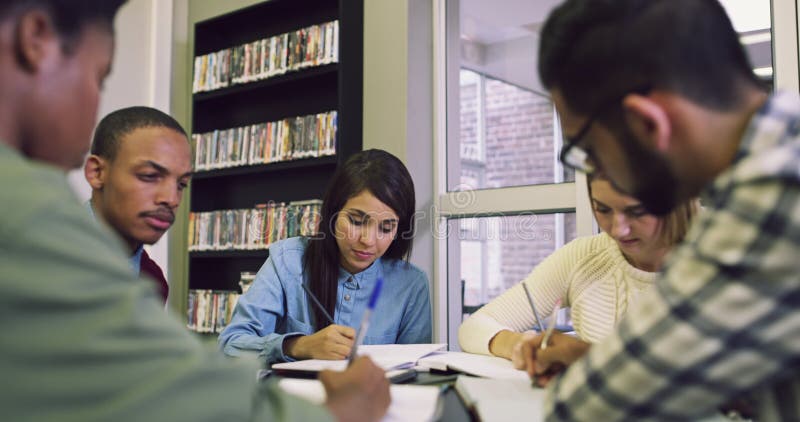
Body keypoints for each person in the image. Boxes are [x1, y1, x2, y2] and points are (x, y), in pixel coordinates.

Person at [0, 1, 389, 421]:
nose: (171, 197)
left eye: (182, 184)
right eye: (99, 76)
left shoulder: (149, 278)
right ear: (35, 39)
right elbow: (177, 390)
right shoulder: (39, 228)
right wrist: (339, 407)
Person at [517, 0, 800, 420]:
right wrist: (593, 358)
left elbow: (585, 409)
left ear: (647, 124)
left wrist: (597, 372)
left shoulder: (772, 191)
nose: (600, 170)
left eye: (591, 150)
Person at [219, 149, 432, 364]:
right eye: (356, 222)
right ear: (333, 214)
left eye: (386, 228)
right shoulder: (288, 261)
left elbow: (418, 370)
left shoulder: (412, 285)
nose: (368, 240)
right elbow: (231, 344)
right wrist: (299, 345)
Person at [458, 174, 698, 363]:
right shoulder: (585, 258)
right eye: (603, 209)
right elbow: (474, 327)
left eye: (636, 211)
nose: (617, 230)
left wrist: (583, 358)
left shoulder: (723, 256)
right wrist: (522, 346)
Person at [84, 106, 192, 304]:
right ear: (97, 173)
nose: (172, 199)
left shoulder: (153, 280)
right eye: (149, 176)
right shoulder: (35, 256)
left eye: (181, 184)